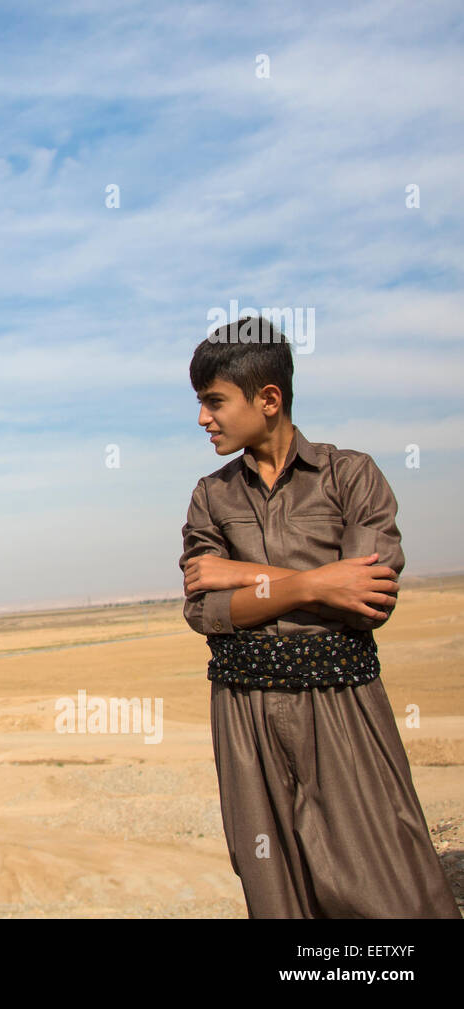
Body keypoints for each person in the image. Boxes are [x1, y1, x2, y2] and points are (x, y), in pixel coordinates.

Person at [178, 316, 457, 918]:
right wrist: (318, 582)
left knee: (384, 871)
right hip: (243, 710)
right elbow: (205, 610)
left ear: (268, 399)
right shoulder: (211, 495)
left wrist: (240, 574)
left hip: (342, 702)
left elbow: (369, 598)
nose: (203, 418)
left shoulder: (351, 475)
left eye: (214, 402)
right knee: (273, 881)